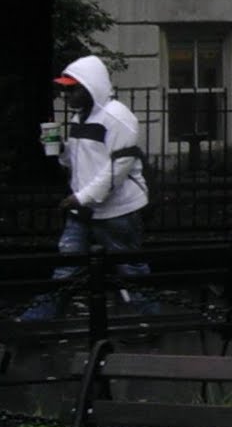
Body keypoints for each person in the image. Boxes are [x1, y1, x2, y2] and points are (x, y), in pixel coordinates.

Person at [22, 55, 155, 320]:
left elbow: (117, 169)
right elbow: (77, 160)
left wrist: (81, 197)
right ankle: (36, 321)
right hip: (84, 209)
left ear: (91, 87)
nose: (66, 95)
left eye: (73, 89)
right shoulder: (79, 118)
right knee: (66, 268)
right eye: (65, 89)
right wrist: (60, 149)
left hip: (117, 211)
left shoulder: (118, 118)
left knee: (130, 270)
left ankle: (149, 321)